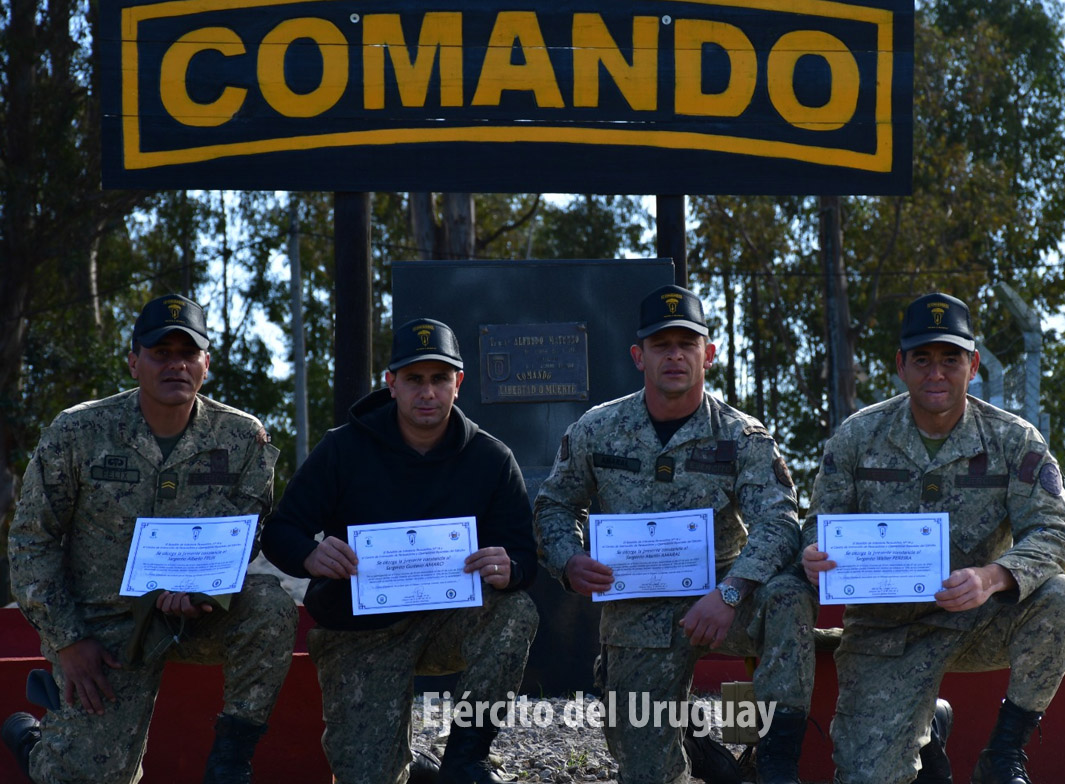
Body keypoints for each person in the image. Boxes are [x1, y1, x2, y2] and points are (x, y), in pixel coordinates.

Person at [2, 294, 298, 784]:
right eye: (161, 353)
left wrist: (203, 592)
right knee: (86, 778)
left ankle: (231, 758)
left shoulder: (243, 438)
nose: (176, 364)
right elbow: (32, 541)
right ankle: (36, 745)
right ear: (134, 361)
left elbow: (243, 536)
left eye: (188, 353)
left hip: (199, 613)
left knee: (270, 606)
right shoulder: (78, 432)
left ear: (206, 364)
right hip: (104, 624)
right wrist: (69, 640)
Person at [801, 292, 1065, 784]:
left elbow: (1058, 533)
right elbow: (817, 524)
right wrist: (813, 553)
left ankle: (1003, 753)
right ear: (901, 365)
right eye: (922, 359)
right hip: (884, 631)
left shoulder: (1012, 439)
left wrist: (993, 576)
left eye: (951, 359)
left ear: (973, 365)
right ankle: (927, 725)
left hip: (974, 619)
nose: (936, 373)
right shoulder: (858, 436)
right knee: (867, 777)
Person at [535, 285, 816, 784]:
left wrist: (730, 593)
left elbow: (778, 523)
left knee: (788, 595)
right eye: (661, 345)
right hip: (638, 604)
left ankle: (775, 761)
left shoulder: (741, 436)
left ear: (709, 354)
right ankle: (695, 751)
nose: (675, 356)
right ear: (638, 356)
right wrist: (569, 560)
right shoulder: (597, 430)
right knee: (645, 769)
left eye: (687, 344)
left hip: (725, 596)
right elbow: (555, 504)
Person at [261, 317, 539, 784]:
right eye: (414, 379)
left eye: (439, 378)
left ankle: (464, 762)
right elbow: (280, 531)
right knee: (368, 775)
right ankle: (416, 771)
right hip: (360, 632)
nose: (427, 392)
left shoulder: (491, 458)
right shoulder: (343, 449)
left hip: (447, 622)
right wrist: (309, 555)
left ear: (458, 383)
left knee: (515, 612)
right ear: (391, 384)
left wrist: (510, 567)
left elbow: (524, 555)